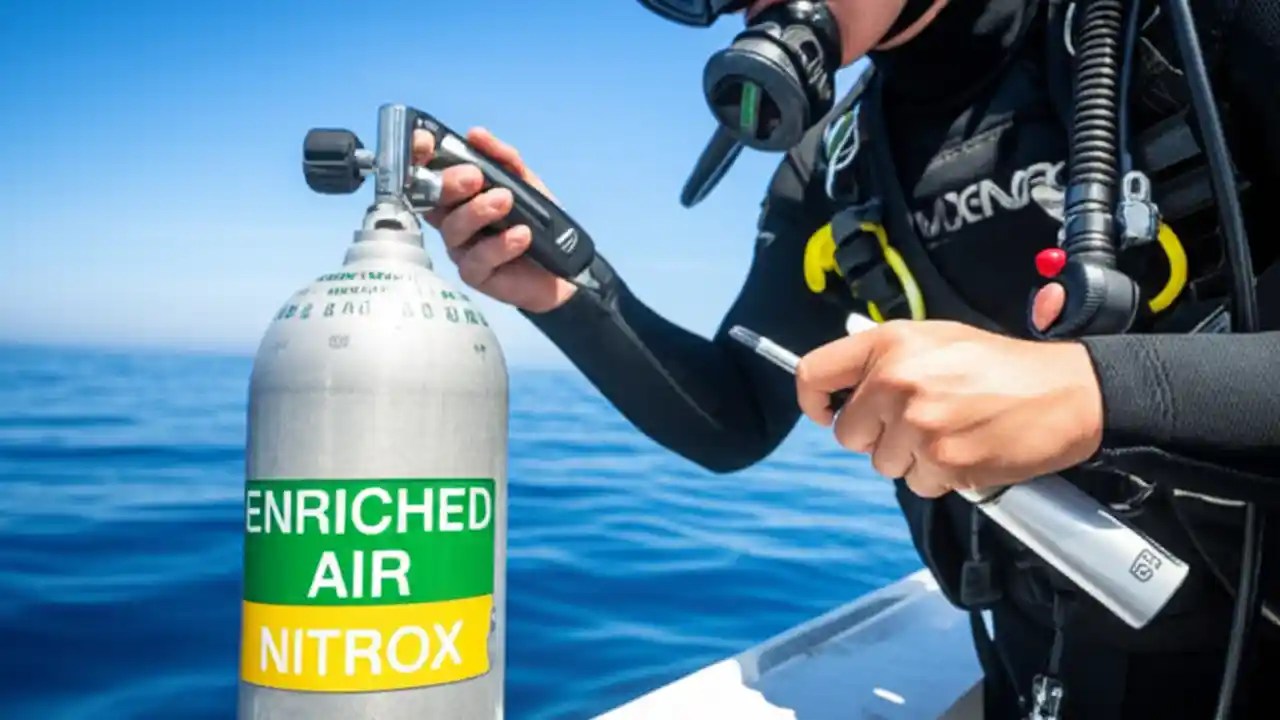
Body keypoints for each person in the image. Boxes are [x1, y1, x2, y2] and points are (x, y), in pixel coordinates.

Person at [414, 0, 1280, 716]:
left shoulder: (1187, 32)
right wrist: (568, 292)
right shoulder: (838, 159)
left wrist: (1098, 392)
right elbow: (734, 416)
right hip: (1035, 671)